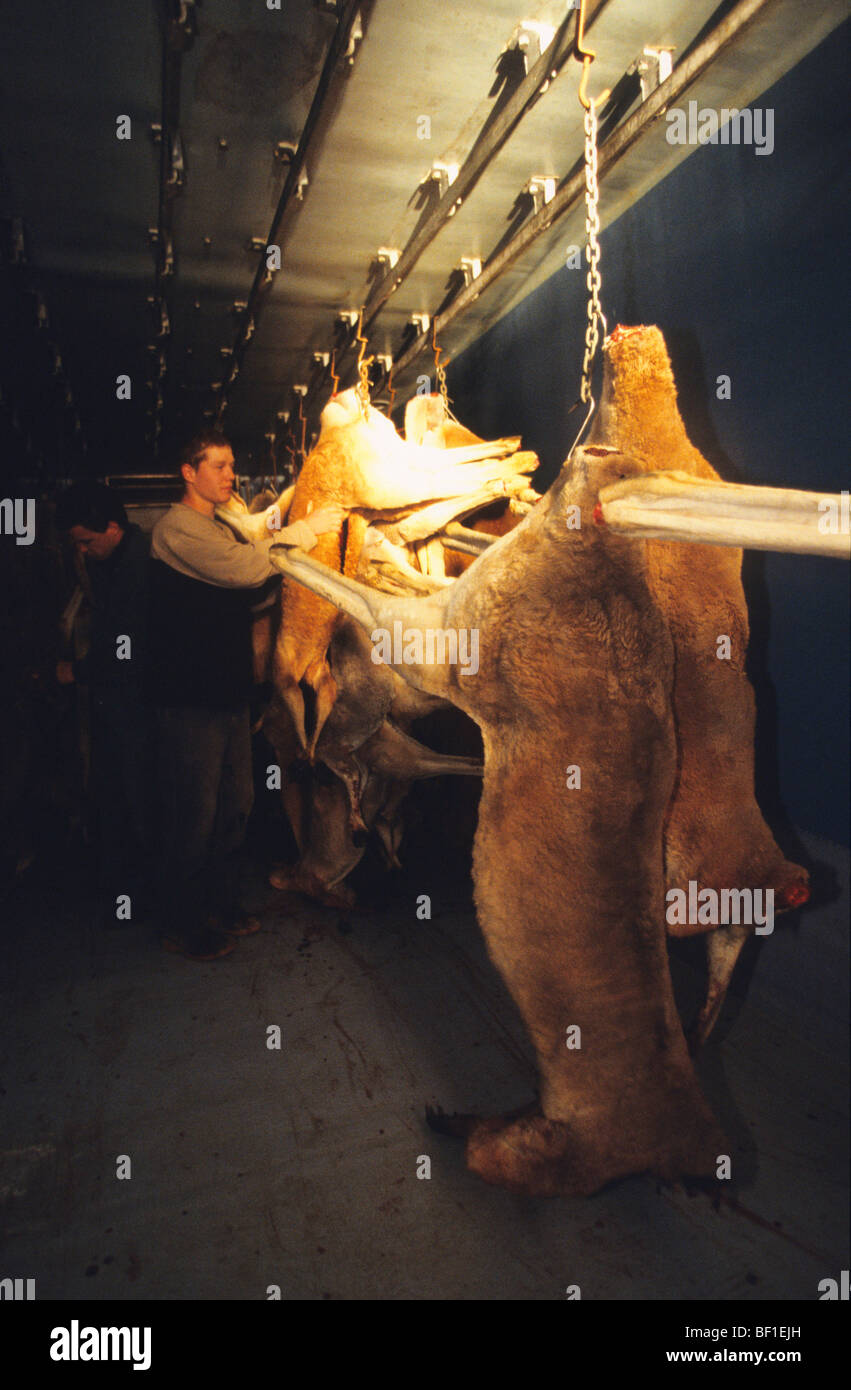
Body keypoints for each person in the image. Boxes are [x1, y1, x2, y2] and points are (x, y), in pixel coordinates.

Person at [147, 429, 343, 961]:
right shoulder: (176, 531)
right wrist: (302, 531)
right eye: (220, 465)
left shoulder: (220, 526)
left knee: (236, 805)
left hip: (227, 695)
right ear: (189, 472)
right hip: (190, 702)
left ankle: (219, 904)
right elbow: (247, 569)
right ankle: (181, 922)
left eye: (233, 464)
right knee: (195, 813)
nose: (231, 475)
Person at [55, 480, 153, 921]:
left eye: (86, 541)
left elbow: (125, 643)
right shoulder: (111, 559)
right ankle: (121, 887)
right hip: (118, 702)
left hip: (137, 704)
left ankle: (135, 895)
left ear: (113, 527)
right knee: (115, 792)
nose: (82, 550)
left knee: (134, 795)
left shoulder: (137, 564)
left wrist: (79, 671)